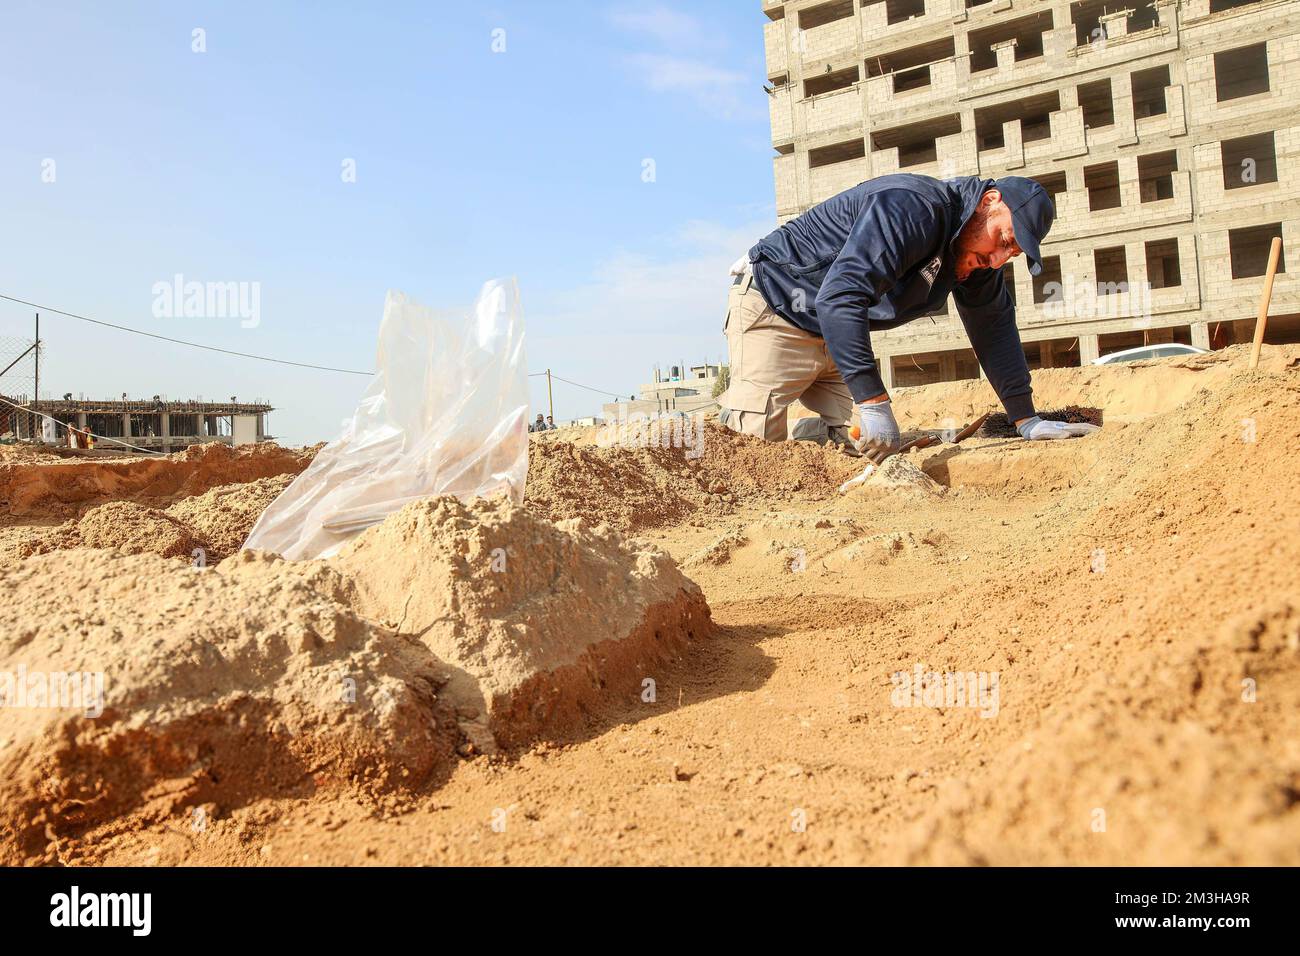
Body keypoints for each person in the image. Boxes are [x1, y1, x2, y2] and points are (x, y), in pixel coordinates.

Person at [718, 173, 1097, 463]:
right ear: (990, 201)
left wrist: (1026, 420)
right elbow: (840, 295)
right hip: (778, 305)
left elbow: (994, 329)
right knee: (753, 453)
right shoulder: (913, 207)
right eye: (1005, 238)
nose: (999, 257)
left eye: (1012, 252)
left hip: (835, 329)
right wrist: (874, 402)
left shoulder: (975, 260)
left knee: (859, 448)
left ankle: (811, 432)